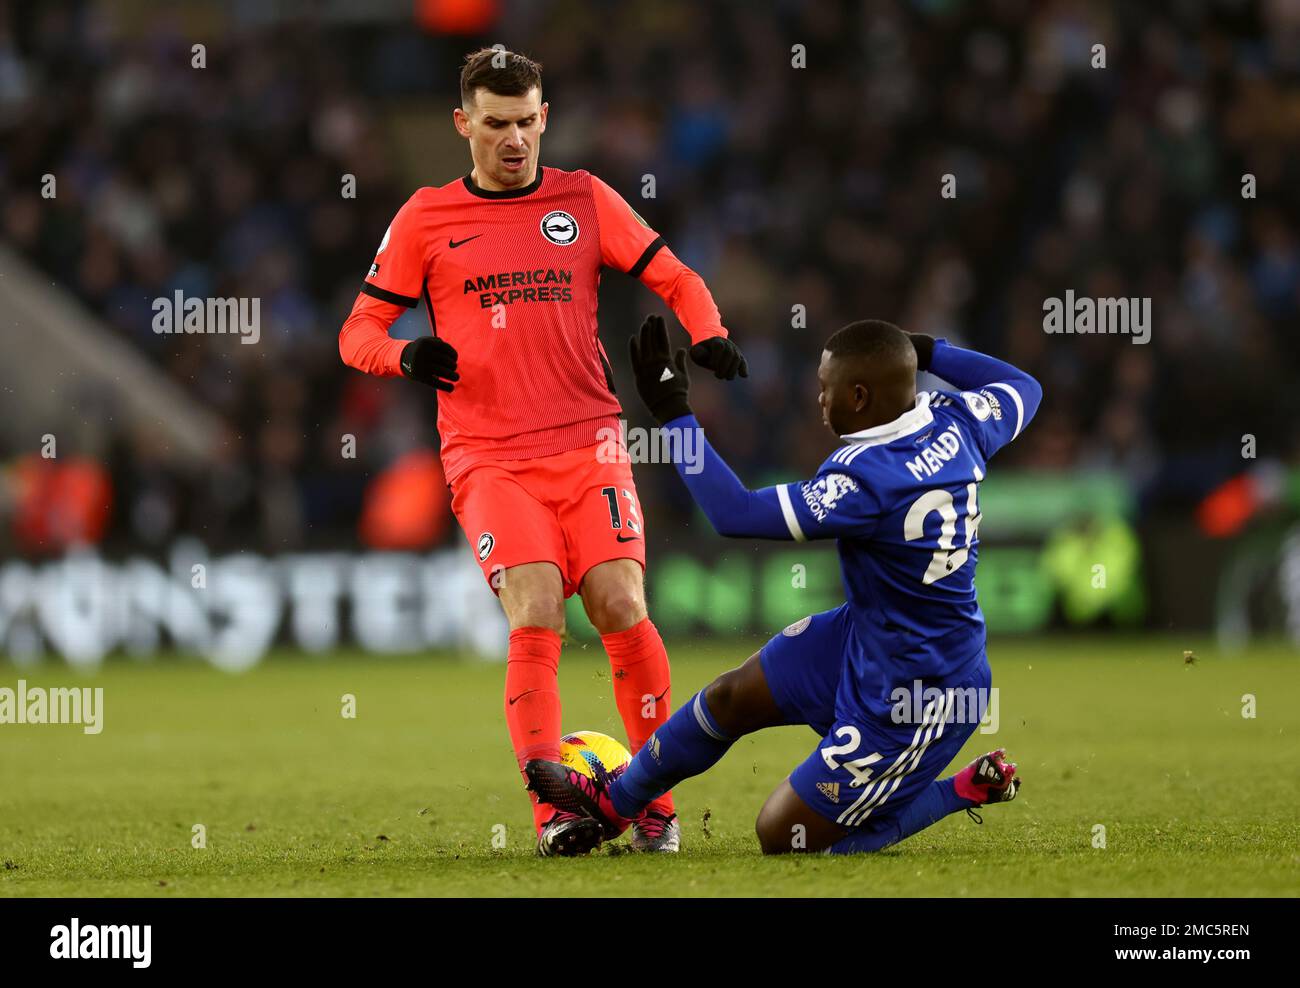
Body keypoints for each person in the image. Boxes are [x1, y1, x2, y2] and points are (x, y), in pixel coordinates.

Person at [338, 49, 747, 856]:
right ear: (465, 125)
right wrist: (407, 355)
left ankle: (654, 807)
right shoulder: (426, 216)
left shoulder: (584, 198)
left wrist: (709, 334)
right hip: (486, 455)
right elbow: (357, 333)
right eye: (496, 124)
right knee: (534, 608)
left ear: (544, 117)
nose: (515, 139)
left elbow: (678, 276)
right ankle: (556, 813)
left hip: (591, 442)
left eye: (527, 121)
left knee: (620, 604)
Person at [527, 316, 1039, 853]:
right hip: (864, 635)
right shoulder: (960, 420)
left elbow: (733, 512)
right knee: (731, 697)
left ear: (860, 396)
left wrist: (675, 415)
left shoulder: (863, 481)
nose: (818, 400)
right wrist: (928, 351)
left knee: (786, 837)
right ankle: (613, 805)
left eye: (826, 389)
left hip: (921, 691)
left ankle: (964, 788)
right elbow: (1026, 387)